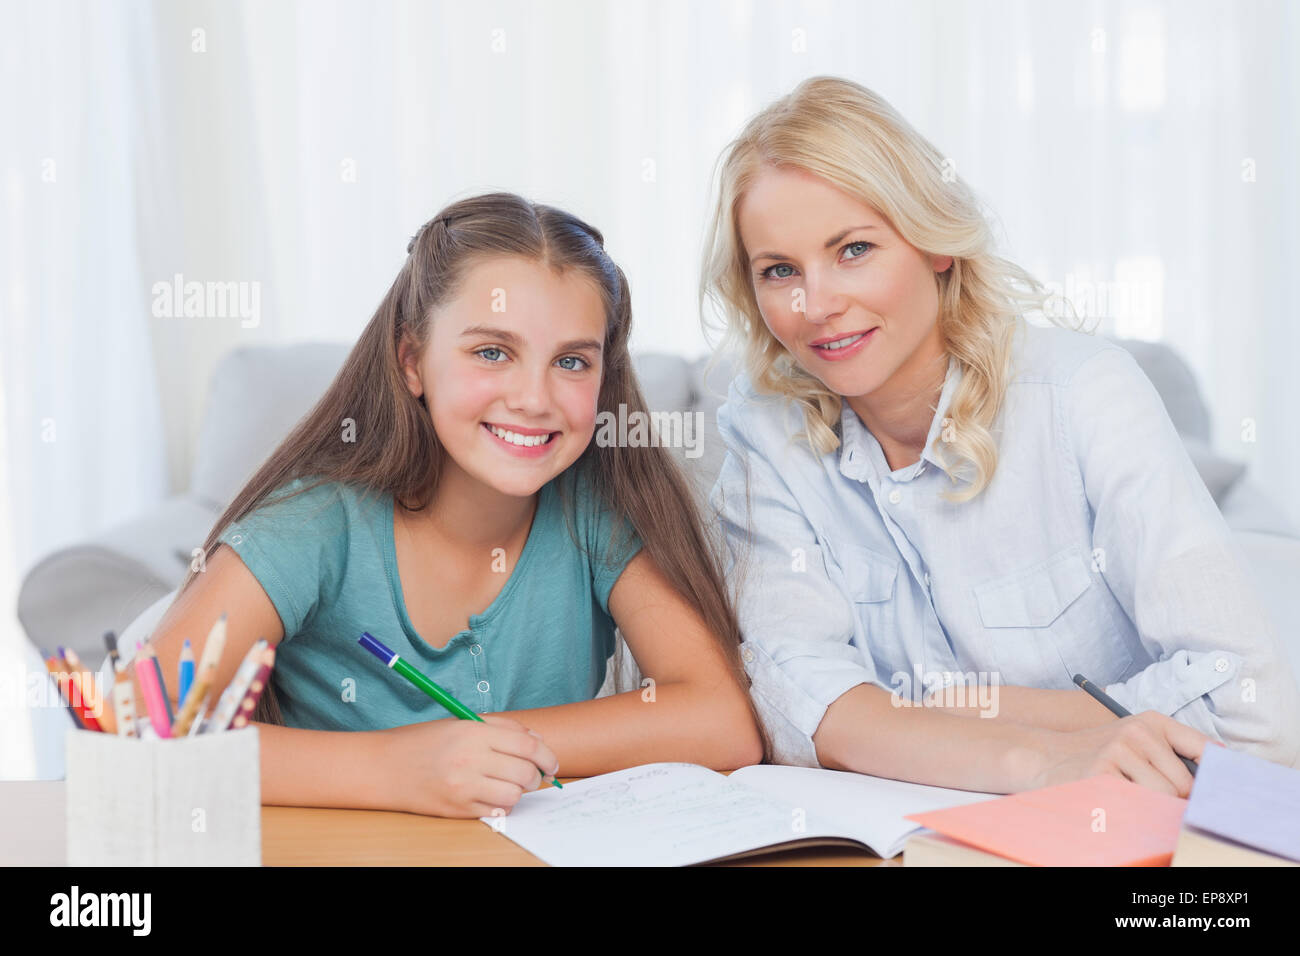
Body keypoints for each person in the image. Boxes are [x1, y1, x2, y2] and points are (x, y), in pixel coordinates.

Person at [699, 76, 1300, 796]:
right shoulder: (766, 431)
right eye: (779, 270)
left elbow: (1255, 717)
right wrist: (1038, 755)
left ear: (935, 244)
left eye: (854, 249)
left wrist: (919, 720)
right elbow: (801, 710)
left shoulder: (1084, 395)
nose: (817, 304)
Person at [98, 192, 765, 818]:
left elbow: (720, 722)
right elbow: (134, 732)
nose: (534, 398)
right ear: (412, 361)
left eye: (571, 363)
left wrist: (479, 744)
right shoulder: (314, 524)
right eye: (492, 352)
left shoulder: (596, 506)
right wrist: (397, 768)